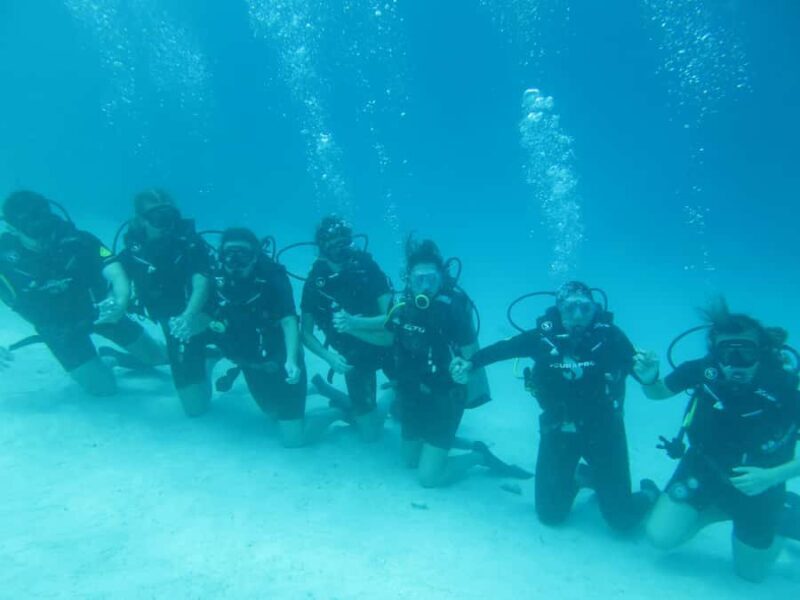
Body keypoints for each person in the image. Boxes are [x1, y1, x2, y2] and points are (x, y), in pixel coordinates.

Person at [451, 281, 657, 531]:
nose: (579, 316)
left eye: (585, 308)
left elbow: (640, 372)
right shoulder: (542, 338)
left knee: (622, 521)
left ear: (595, 309)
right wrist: (470, 364)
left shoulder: (611, 337)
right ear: (559, 309)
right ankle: (582, 477)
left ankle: (649, 494)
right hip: (558, 430)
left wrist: (650, 377)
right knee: (550, 515)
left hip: (605, 432)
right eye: (571, 308)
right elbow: (503, 349)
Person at [636, 299, 800, 582]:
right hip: (703, 469)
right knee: (659, 537)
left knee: (751, 574)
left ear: (761, 352)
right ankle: (720, 508)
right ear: (715, 352)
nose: (736, 364)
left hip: (761, 485)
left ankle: (784, 511)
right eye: (727, 352)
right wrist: (649, 379)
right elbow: (659, 393)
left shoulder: (785, 387)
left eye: (745, 353)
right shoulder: (702, 371)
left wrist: (772, 476)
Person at [359, 237, 494, 487]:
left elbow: (473, 354)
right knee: (409, 460)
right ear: (408, 279)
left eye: (431, 279)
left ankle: (478, 456)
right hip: (413, 391)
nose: (425, 286)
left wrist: (467, 369)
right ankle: (440, 442)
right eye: (419, 279)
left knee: (428, 477)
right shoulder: (400, 306)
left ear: (441, 279)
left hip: (446, 395)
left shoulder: (453, 309)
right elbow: (387, 336)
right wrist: (351, 326)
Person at [0, 190, 164, 395]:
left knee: (156, 357)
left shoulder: (79, 240)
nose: (45, 239)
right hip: (57, 329)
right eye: (34, 232)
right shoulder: (3, 260)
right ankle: (107, 362)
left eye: (48, 227)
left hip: (100, 312)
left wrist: (120, 302)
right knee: (103, 389)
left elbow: (115, 272)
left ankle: (133, 356)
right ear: (12, 229)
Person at [204, 228, 343, 447]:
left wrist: (291, 360)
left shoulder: (273, 276)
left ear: (256, 255)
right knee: (271, 414)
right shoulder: (215, 277)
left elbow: (289, 319)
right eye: (229, 254)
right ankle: (313, 389)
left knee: (293, 439)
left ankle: (335, 412)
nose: (235, 261)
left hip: (279, 357)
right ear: (221, 254)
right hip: (250, 360)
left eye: (244, 254)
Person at [117, 190, 213, 416]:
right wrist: (119, 302)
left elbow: (201, 283)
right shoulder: (133, 251)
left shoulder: (190, 244)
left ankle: (206, 358)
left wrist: (189, 315)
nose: (167, 224)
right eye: (159, 218)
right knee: (194, 408)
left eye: (171, 216)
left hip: (199, 317)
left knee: (197, 408)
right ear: (141, 220)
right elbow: (117, 279)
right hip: (169, 322)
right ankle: (189, 358)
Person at [300, 215, 393, 441]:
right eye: (331, 245)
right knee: (371, 434)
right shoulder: (315, 282)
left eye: (343, 242)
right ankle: (338, 409)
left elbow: (392, 319)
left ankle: (395, 391)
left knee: (405, 414)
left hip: (388, 347)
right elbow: (305, 332)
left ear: (350, 242)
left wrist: (354, 323)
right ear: (321, 248)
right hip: (354, 358)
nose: (338, 250)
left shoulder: (369, 269)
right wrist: (328, 357)